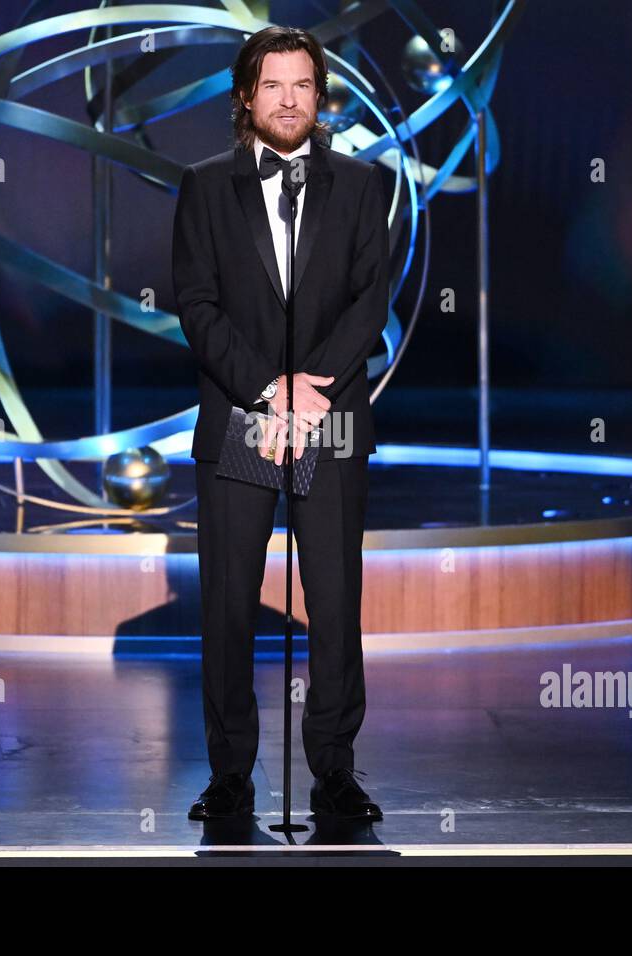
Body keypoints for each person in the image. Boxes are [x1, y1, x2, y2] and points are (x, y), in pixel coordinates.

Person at [170, 25, 389, 822]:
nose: (290, 100)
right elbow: (196, 305)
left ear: (320, 98)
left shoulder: (363, 186)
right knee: (229, 605)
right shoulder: (203, 186)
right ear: (245, 96)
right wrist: (269, 389)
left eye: (303, 85)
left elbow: (372, 300)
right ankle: (230, 772)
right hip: (241, 415)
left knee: (335, 602)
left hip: (328, 416)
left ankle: (334, 768)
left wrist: (311, 391)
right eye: (274, 85)